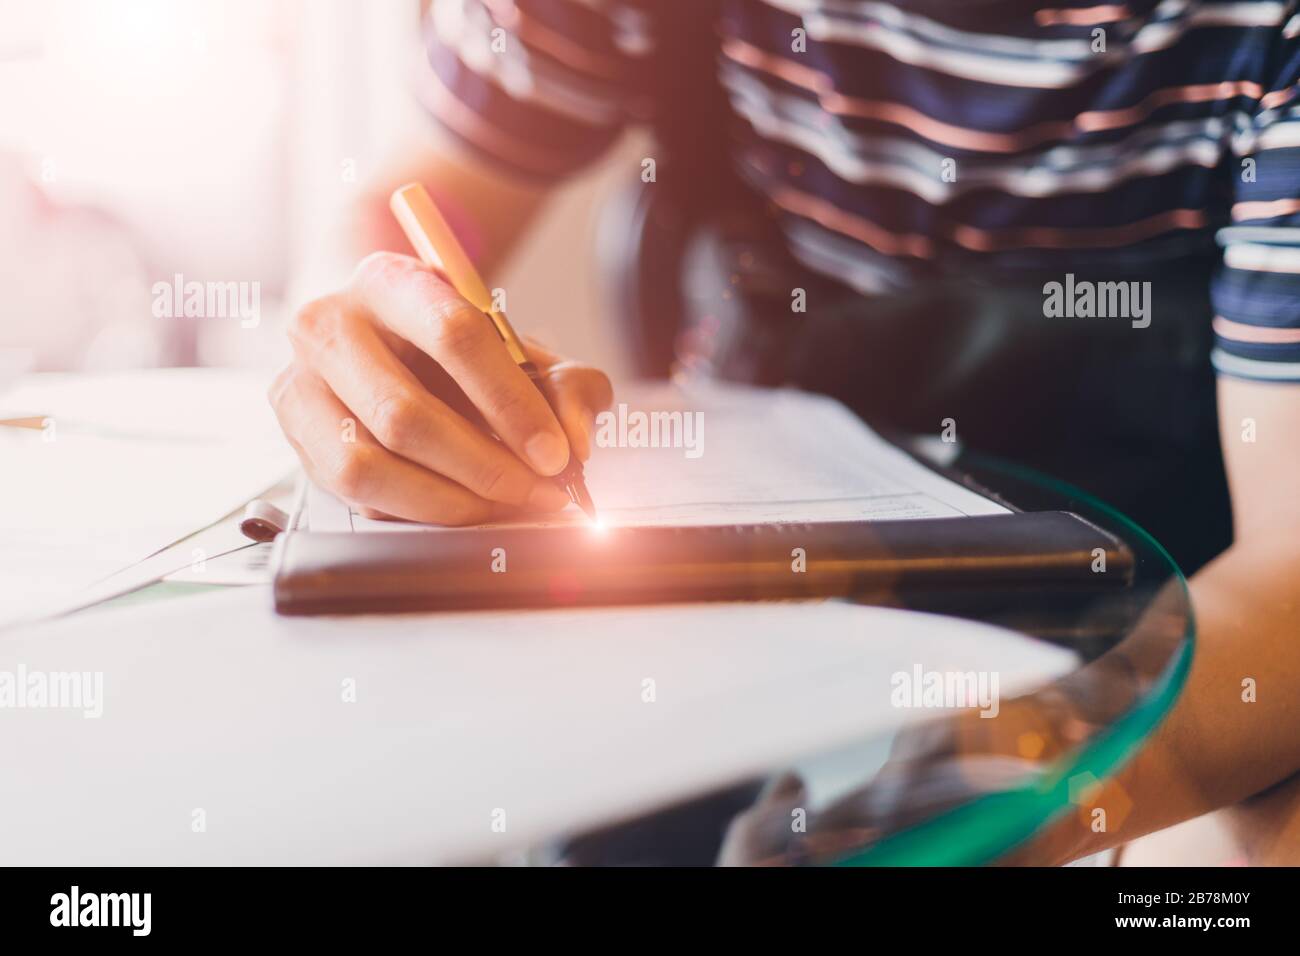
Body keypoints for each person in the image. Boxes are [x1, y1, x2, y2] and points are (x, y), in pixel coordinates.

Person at [269, 1, 1300, 862]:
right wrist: (373, 342)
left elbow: (1290, 568)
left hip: (1166, 618)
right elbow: (412, 201)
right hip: (731, 621)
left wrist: (979, 794)